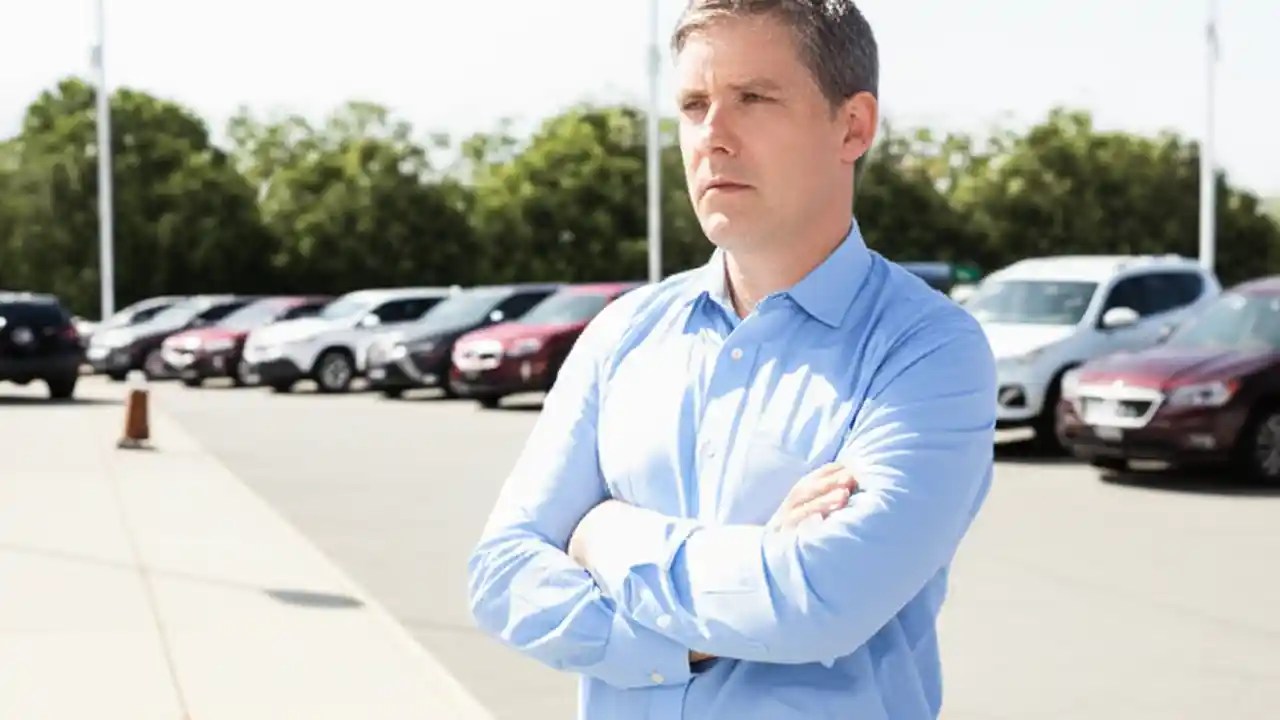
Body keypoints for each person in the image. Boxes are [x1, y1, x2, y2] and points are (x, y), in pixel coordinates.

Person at [467, 1, 997, 718]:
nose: (712, 137)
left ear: (853, 126)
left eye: (753, 98)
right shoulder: (623, 334)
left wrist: (605, 533)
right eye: (693, 104)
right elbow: (503, 577)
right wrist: (712, 620)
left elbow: (816, 601)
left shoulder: (929, 350)